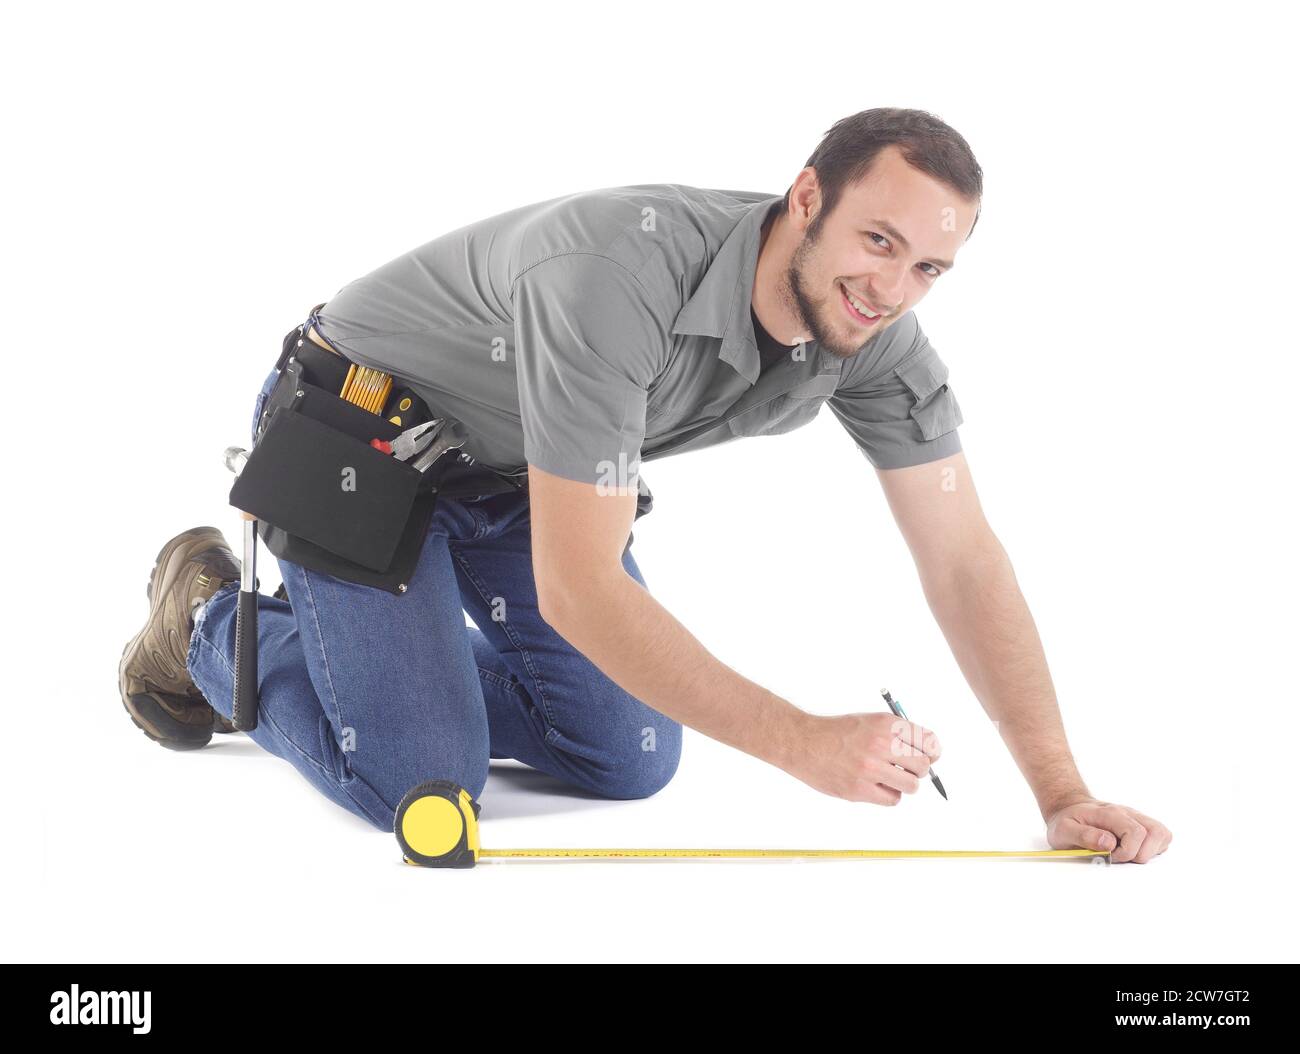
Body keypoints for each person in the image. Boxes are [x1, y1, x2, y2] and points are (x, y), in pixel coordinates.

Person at [118, 107, 1171, 863]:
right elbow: (578, 590)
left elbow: (964, 558)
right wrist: (800, 741)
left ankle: (397, 646)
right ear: (807, 198)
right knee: (424, 782)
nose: (891, 292)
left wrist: (1061, 790)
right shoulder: (616, 275)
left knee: (624, 754)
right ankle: (209, 616)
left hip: (514, 472)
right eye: (876, 242)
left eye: (928, 270)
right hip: (361, 434)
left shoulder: (876, 338)